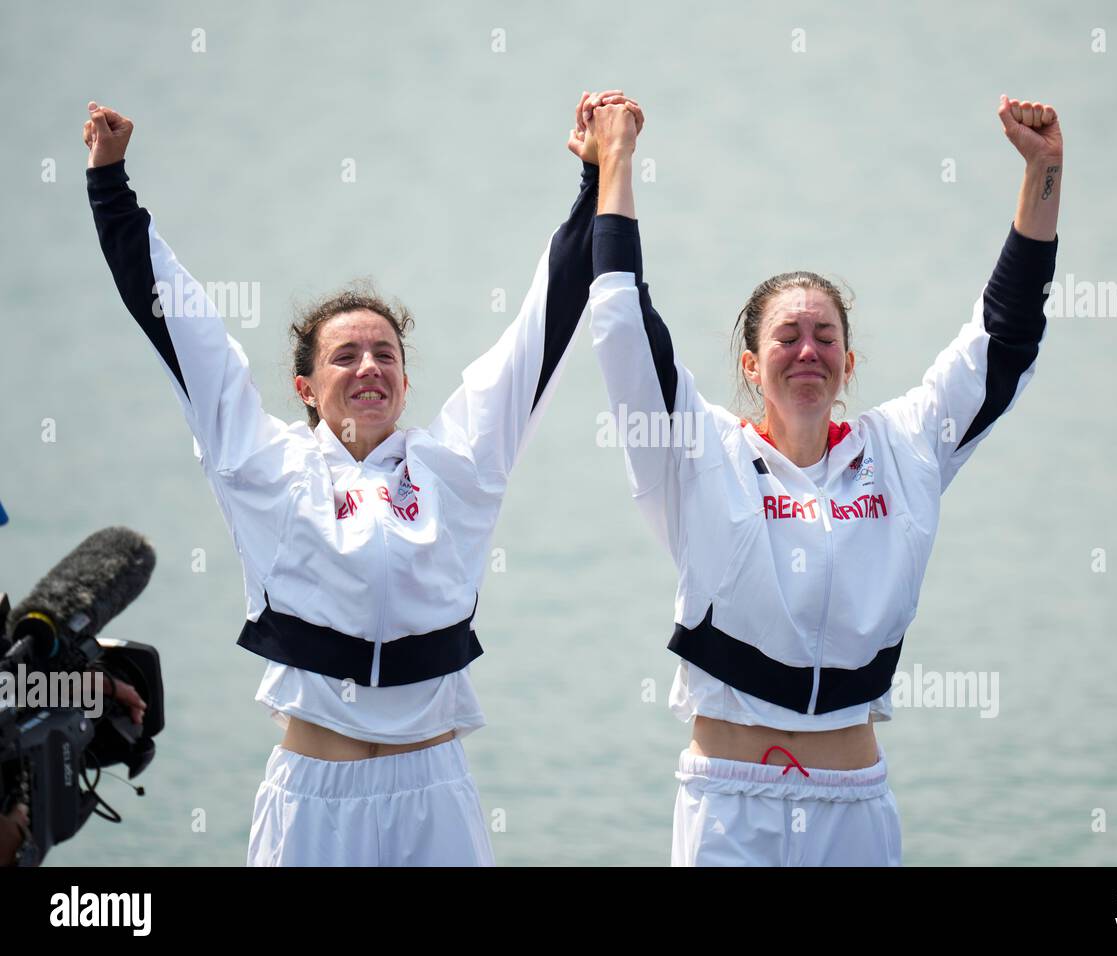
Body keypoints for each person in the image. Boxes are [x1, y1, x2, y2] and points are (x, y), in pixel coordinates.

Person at [82, 90, 639, 866]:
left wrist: (593, 179)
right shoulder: (262, 464)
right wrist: (110, 184)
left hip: (434, 796)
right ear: (306, 388)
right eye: (345, 356)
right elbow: (179, 323)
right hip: (314, 798)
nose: (369, 366)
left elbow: (542, 328)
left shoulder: (458, 463)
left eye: (386, 355)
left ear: (406, 384)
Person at [585, 95, 1062, 865]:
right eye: (787, 336)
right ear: (750, 365)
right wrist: (615, 164)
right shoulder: (695, 453)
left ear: (848, 361)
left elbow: (1002, 341)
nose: (807, 351)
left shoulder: (905, 449)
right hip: (730, 805)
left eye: (826, 336)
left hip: (854, 807)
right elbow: (621, 325)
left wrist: (1045, 172)